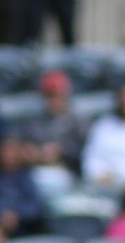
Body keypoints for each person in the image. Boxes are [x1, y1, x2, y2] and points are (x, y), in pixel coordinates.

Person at [17, 70, 89, 199]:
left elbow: (86, 152)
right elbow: (20, 145)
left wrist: (60, 151)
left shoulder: (78, 121)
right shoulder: (35, 121)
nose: (54, 100)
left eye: (58, 94)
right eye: (50, 95)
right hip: (35, 171)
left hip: (67, 173)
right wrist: (27, 152)